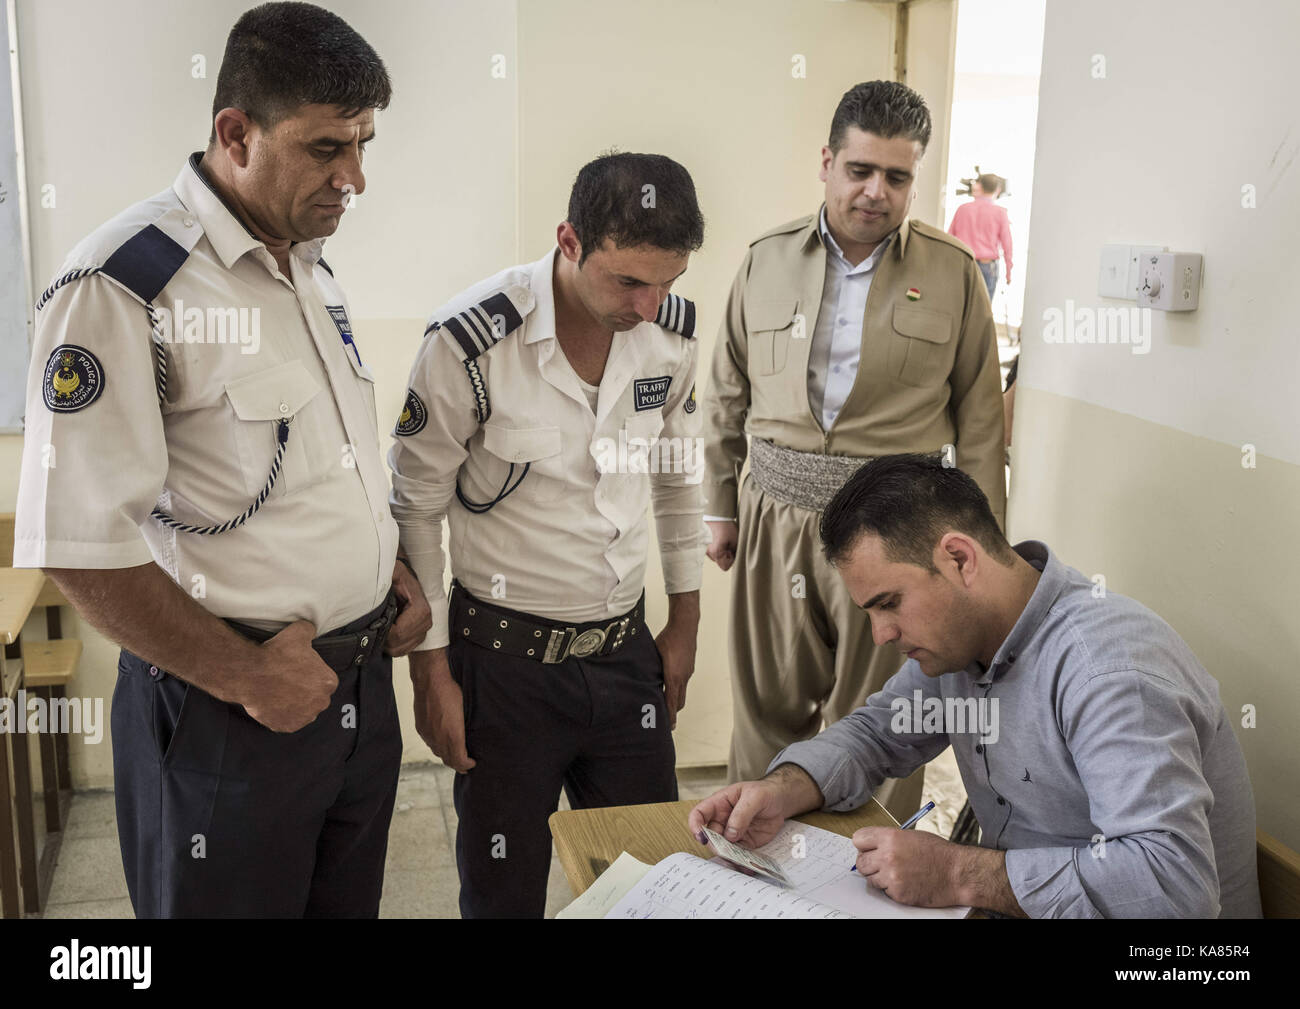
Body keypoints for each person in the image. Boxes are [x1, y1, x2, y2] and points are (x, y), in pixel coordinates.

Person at [12, 2, 431, 917]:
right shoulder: (123, 285)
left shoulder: (306, 260)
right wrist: (245, 675)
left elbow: (317, 465)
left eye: (364, 142)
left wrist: (379, 565)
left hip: (353, 688)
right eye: (327, 147)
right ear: (234, 133)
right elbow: (78, 542)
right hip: (227, 711)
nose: (355, 175)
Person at [689, 454, 1262, 918]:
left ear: (960, 559)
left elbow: (1174, 888)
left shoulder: (1108, 670)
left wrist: (960, 874)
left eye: (889, 603)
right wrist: (787, 786)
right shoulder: (964, 647)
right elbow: (874, 735)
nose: (882, 633)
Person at [389, 152, 707, 918]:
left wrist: (687, 620)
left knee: (653, 886)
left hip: (625, 656)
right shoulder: (470, 343)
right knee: (504, 891)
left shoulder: (669, 336)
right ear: (569, 241)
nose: (648, 301)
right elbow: (416, 503)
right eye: (628, 281)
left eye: (668, 282)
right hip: (503, 667)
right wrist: (430, 674)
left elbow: (677, 477)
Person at [700, 80, 1006, 820]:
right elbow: (724, 393)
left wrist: (985, 554)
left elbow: (984, 424)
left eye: (897, 177)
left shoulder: (953, 273)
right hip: (775, 517)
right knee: (768, 708)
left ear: (915, 181)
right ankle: (752, 852)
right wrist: (718, 508)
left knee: (878, 719)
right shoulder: (764, 260)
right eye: (860, 170)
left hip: (897, 530)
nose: (876, 191)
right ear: (828, 162)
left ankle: (867, 875)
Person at [948, 173, 1012, 303]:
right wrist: (1008, 272)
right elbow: (1007, 244)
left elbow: (949, 239)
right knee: (983, 311)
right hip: (987, 266)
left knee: (960, 306)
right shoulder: (1000, 213)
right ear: (997, 190)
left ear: (979, 187)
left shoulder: (962, 209)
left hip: (962, 264)